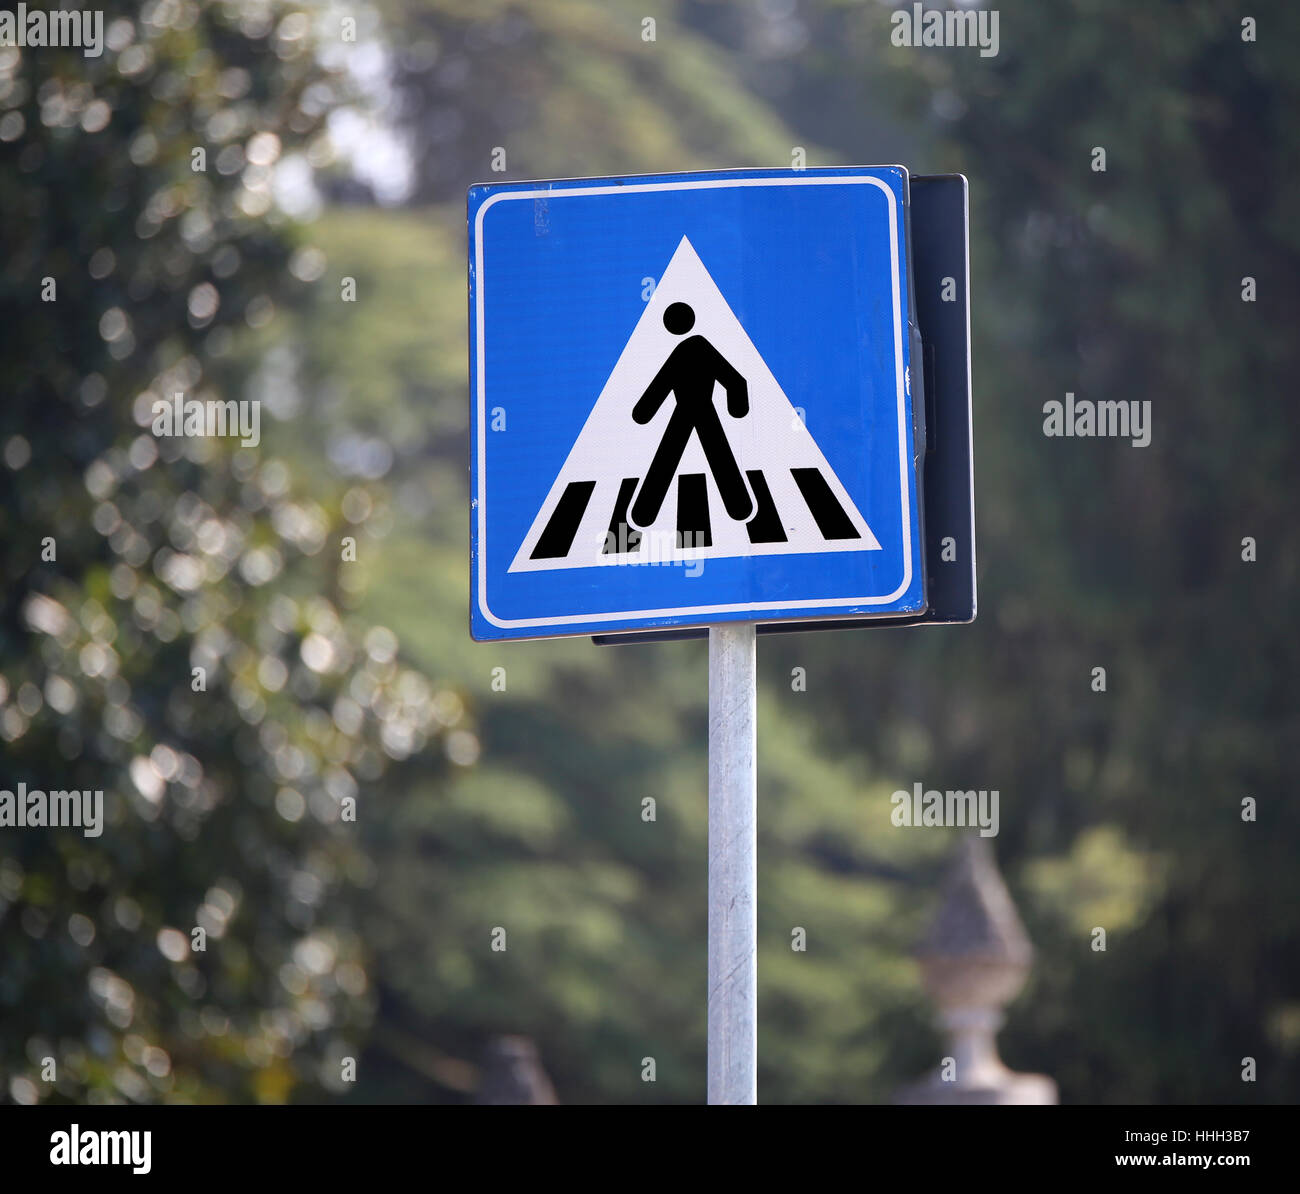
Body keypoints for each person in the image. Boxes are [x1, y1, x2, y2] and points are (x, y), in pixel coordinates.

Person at [630, 302, 754, 528]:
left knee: (669, 458)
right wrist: (737, 409)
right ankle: (740, 506)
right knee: (717, 457)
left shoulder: (688, 350)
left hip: (690, 409)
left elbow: (661, 385)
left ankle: (644, 513)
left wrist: (643, 413)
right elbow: (735, 380)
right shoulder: (699, 348)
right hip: (698, 410)